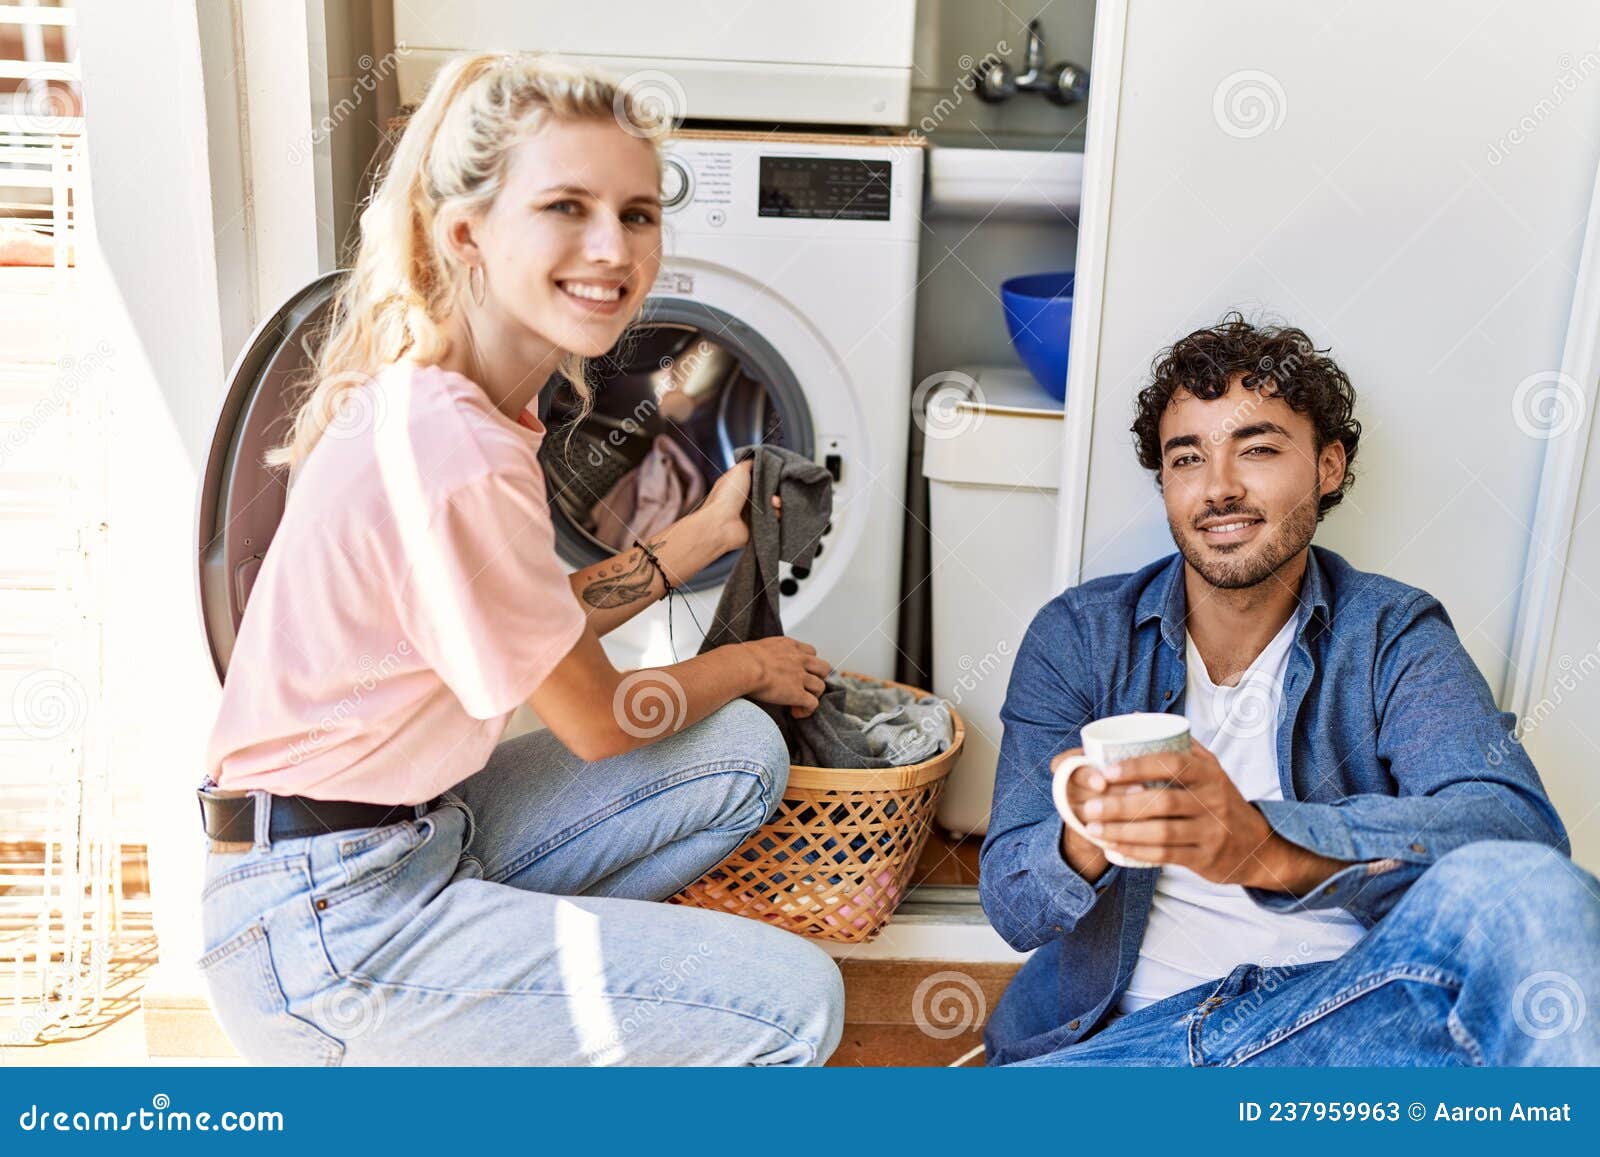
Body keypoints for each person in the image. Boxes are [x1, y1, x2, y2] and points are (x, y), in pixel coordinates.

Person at [195, 52, 844, 1066]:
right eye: (565, 207)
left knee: (740, 755)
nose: (611, 246)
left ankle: (504, 1022)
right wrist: (752, 664)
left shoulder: (470, 403)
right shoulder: (452, 446)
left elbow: (524, 619)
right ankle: (446, 1026)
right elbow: (597, 719)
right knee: (793, 1003)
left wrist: (702, 538)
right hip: (330, 927)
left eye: (636, 213)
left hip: (408, 838)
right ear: (467, 234)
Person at [980, 313, 1600, 1066]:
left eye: (1259, 449)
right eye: (1187, 459)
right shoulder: (1079, 633)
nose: (1220, 489)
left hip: (1342, 1024)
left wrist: (1264, 847)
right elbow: (1012, 903)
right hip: (1125, 1049)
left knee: (1539, 897)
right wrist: (1093, 829)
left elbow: (1518, 833)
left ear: (1328, 466)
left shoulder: (1391, 632)